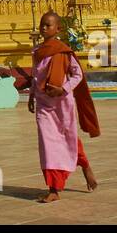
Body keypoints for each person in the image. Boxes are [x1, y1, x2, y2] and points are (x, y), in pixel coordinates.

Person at [16, 11, 100, 203]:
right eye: (42, 25)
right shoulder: (37, 51)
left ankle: (85, 166)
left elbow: (77, 75)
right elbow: (36, 78)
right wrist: (31, 96)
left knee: (66, 137)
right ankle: (54, 188)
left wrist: (63, 89)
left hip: (62, 103)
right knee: (48, 144)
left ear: (58, 29)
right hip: (44, 105)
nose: (44, 28)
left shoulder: (63, 51)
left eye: (48, 25)